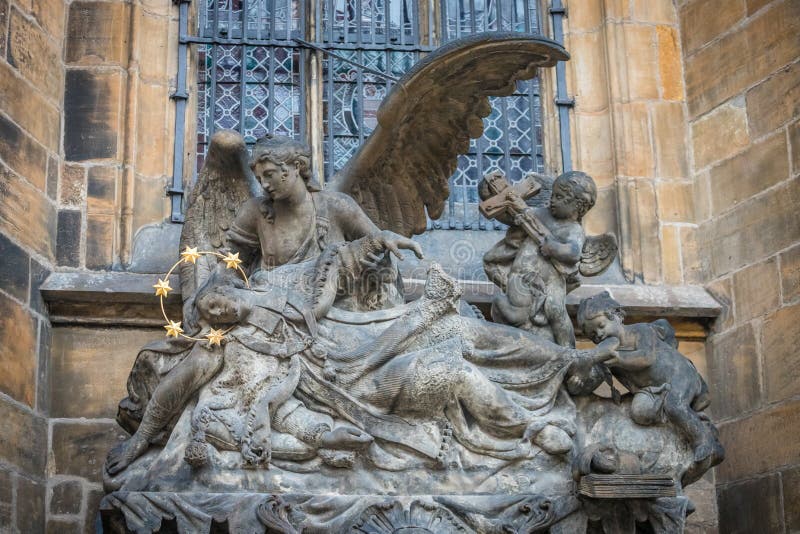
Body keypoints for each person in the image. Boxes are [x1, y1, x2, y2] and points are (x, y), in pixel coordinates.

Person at [573, 291, 719, 465]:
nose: (599, 335)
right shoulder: (608, 358)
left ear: (617, 317)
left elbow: (646, 358)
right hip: (654, 390)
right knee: (639, 412)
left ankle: (703, 441)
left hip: (678, 375)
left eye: (601, 326)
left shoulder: (640, 331)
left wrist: (619, 359)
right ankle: (678, 420)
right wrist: (579, 379)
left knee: (675, 406)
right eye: (593, 335)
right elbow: (594, 378)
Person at [483, 171, 597, 347]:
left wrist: (554, 247)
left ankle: (568, 350)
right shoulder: (540, 214)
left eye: (560, 197)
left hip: (552, 281)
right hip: (523, 275)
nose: (552, 200)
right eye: (553, 194)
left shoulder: (573, 229)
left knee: (555, 309)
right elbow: (511, 215)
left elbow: (573, 252)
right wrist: (490, 196)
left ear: (577, 205)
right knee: (515, 308)